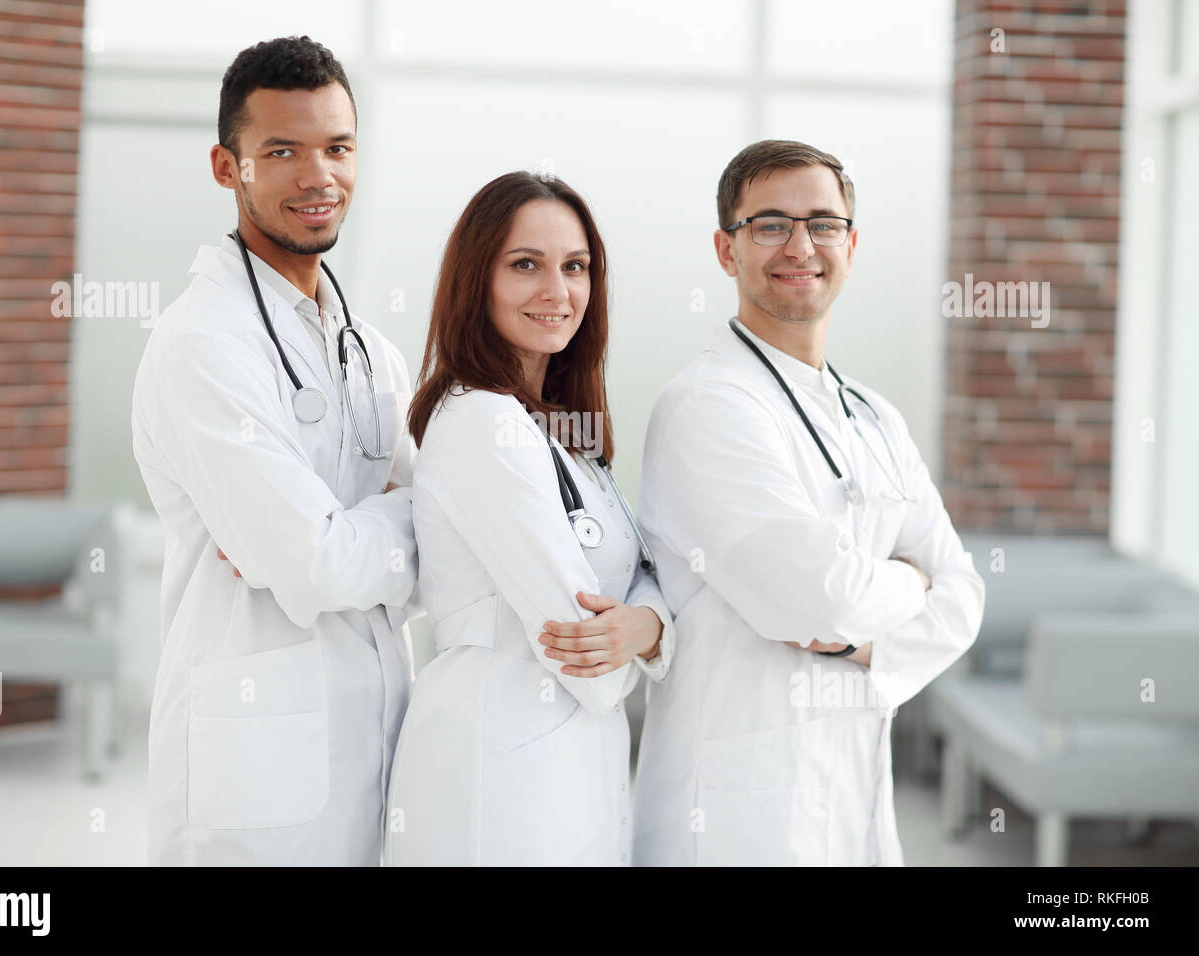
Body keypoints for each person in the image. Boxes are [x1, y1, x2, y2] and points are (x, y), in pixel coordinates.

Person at [633, 140, 984, 866]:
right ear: (726, 251)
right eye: (769, 225)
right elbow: (816, 599)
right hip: (733, 819)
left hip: (852, 800)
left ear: (850, 245)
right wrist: (907, 584)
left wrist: (864, 638)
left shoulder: (875, 417)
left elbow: (965, 597)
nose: (801, 246)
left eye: (823, 224)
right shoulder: (707, 405)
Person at [130, 36, 418, 865]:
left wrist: (344, 534)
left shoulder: (370, 351)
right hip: (251, 774)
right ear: (229, 168)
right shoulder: (202, 344)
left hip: (374, 749)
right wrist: (392, 522)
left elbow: (446, 537)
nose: (317, 175)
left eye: (338, 147)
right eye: (282, 151)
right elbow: (316, 566)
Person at [384, 172, 673, 866]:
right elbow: (587, 660)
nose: (557, 291)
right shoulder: (484, 422)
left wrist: (649, 625)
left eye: (575, 267)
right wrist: (647, 634)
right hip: (497, 767)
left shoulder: (563, 433)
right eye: (525, 266)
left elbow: (641, 576)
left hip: (570, 766)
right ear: (474, 281)